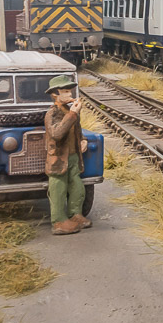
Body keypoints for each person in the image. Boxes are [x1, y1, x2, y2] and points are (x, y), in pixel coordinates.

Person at [44, 75, 91, 234]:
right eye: (65, 91)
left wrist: (83, 139)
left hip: (72, 157)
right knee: (58, 188)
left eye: (69, 91)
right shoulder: (52, 114)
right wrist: (72, 114)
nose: (69, 94)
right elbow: (56, 134)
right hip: (58, 158)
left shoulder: (70, 111)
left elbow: (77, 130)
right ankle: (58, 221)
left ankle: (75, 214)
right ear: (55, 95)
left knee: (77, 186)